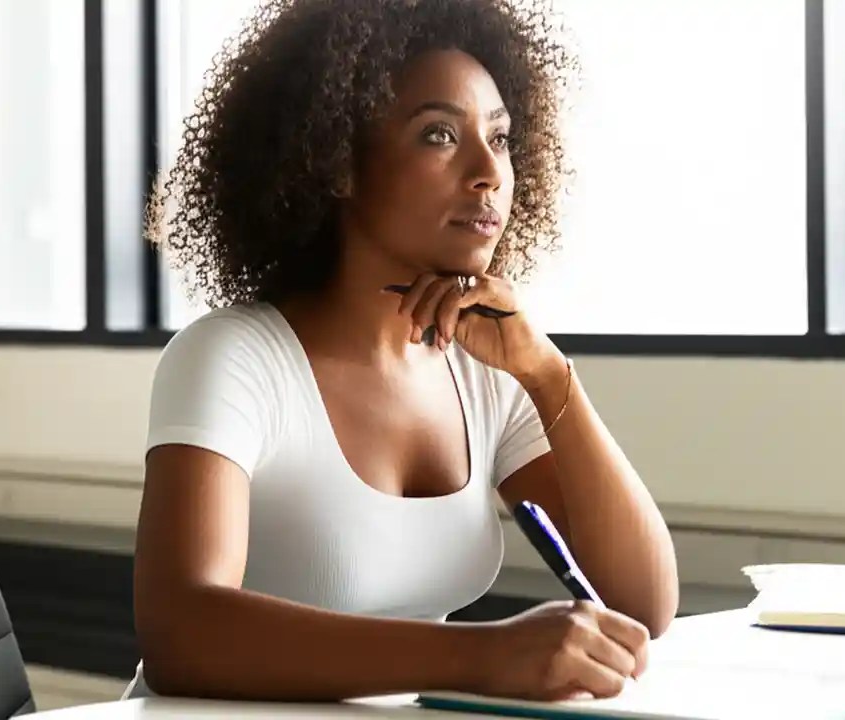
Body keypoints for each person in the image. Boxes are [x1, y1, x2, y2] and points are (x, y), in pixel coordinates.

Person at [126, 0, 679, 704]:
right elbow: (181, 633)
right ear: (336, 163)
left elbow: (642, 609)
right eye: (440, 135)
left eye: (502, 138)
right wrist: (484, 654)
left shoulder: (490, 371)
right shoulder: (233, 359)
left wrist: (546, 372)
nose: (489, 173)